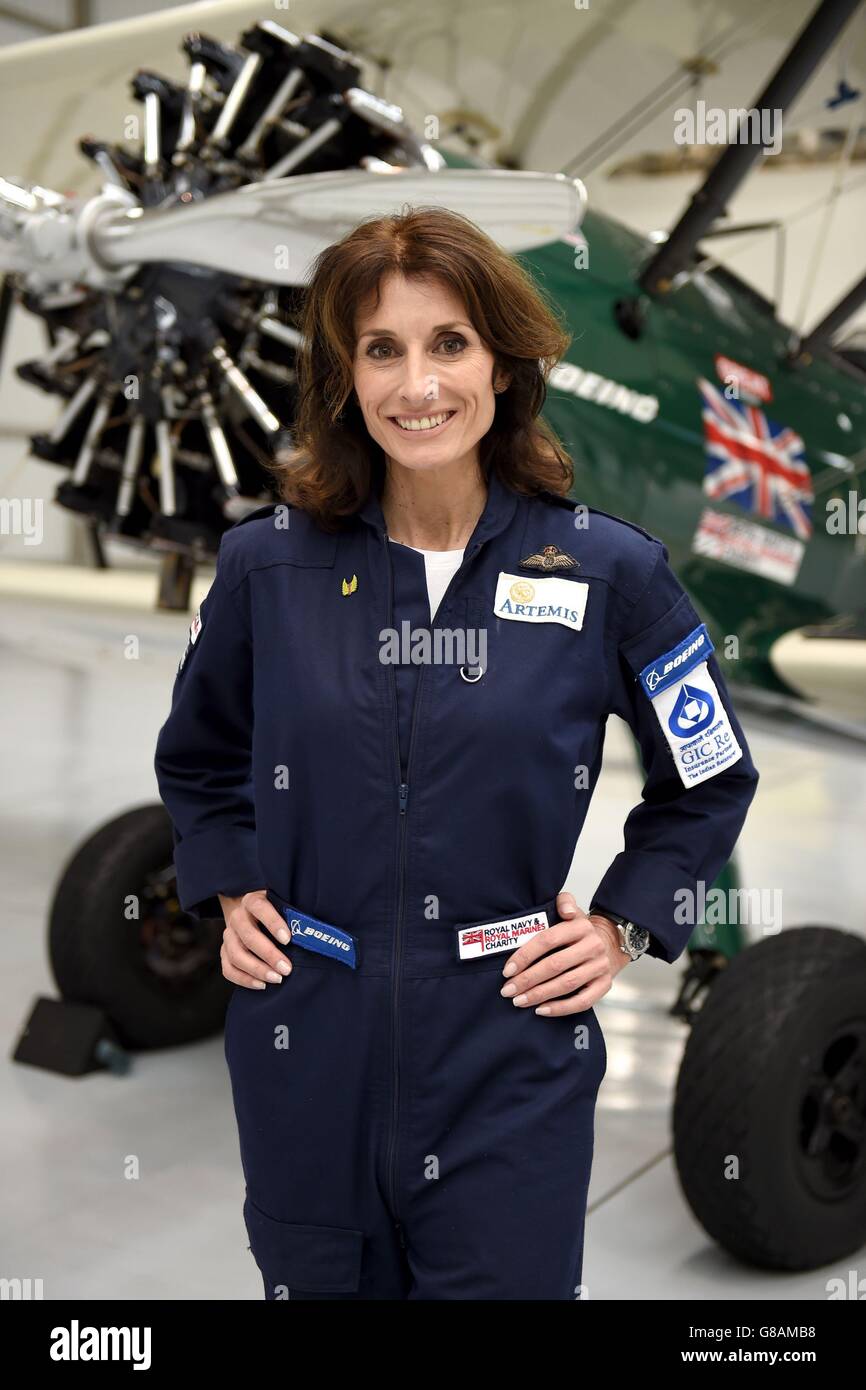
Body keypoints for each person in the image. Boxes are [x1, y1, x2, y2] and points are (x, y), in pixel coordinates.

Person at [153, 206, 759, 1300]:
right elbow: (200, 759)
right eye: (380, 349)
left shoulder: (607, 573)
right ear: (341, 375)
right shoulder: (265, 568)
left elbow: (707, 776)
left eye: (448, 344)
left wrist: (627, 920)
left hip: (508, 1049)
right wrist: (228, 879)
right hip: (305, 1039)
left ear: (502, 363)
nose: (415, 384)